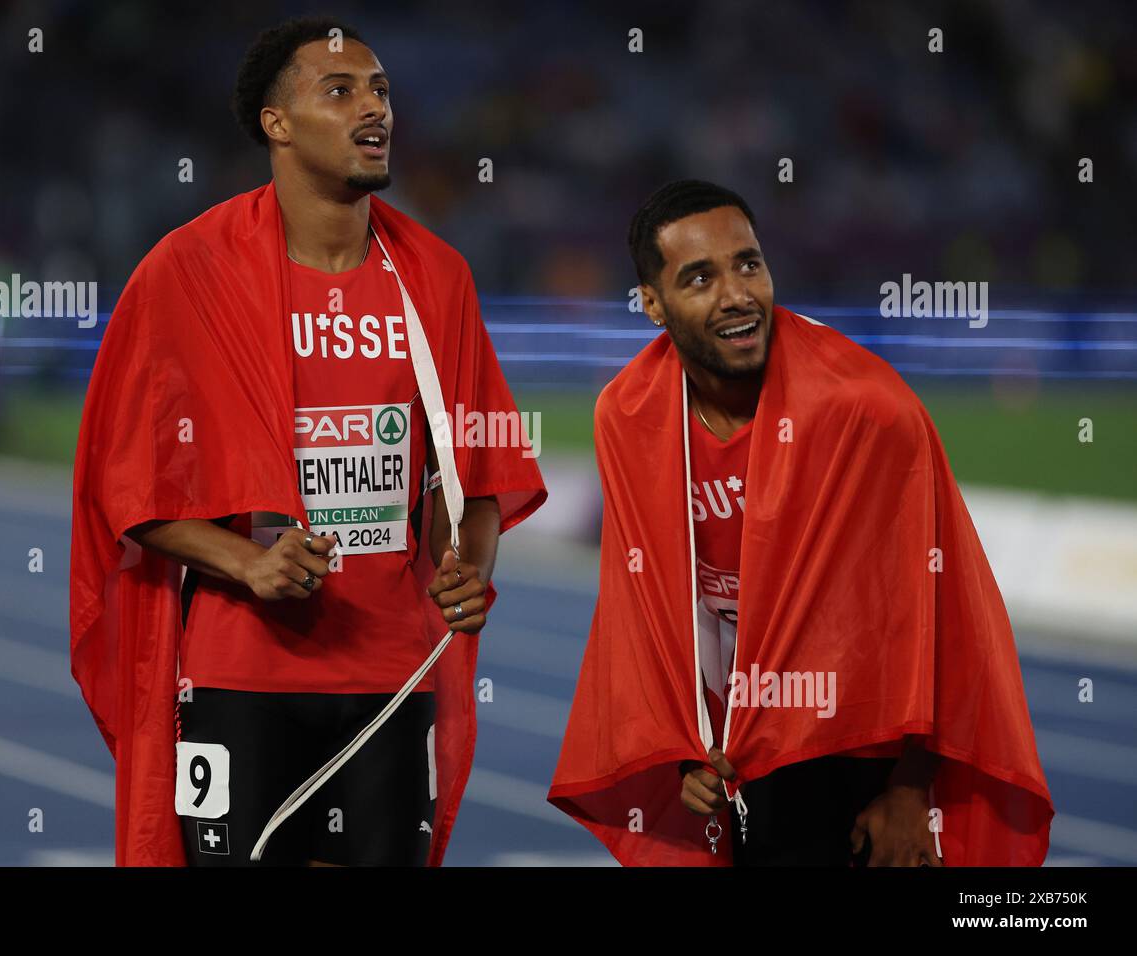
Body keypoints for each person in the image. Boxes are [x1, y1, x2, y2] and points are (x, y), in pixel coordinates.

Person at [70, 16, 545, 867]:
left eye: (383, 90)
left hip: (392, 675)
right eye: (341, 90)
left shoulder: (438, 278)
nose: (376, 108)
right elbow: (129, 489)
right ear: (276, 124)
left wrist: (471, 568)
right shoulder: (188, 272)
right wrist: (248, 561)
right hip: (242, 675)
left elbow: (476, 473)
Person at [548, 179, 1052, 866]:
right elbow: (647, 608)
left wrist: (911, 786)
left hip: (861, 749)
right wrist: (679, 749)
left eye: (748, 264)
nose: (736, 295)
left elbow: (943, 609)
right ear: (652, 305)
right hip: (745, 753)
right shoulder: (628, 415)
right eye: (700, 278)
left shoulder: (867, 409)